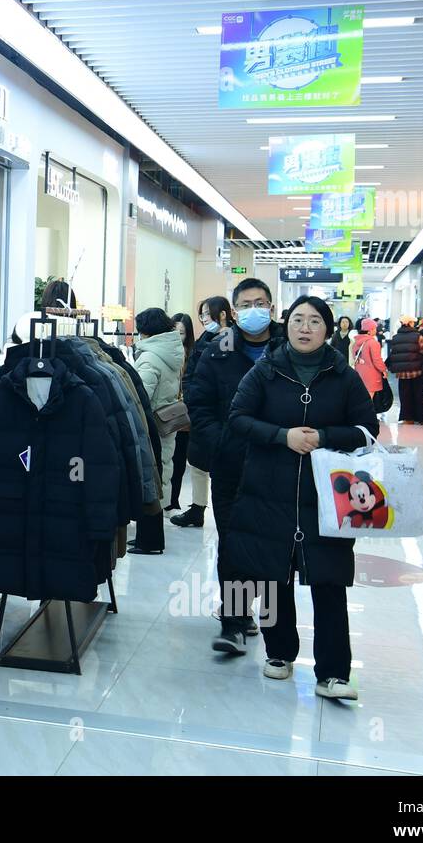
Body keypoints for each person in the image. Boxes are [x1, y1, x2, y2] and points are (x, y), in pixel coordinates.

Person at [226, 295, 379, 699]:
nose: (304, 328)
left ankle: (333, 672)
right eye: (297, 320)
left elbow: (368, 429)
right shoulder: (266, 370)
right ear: (287, 324)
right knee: (274, 575)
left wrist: (325, 438)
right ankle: (279, 653)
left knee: (328, 579)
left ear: (329, 330)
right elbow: (238, 418)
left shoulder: (344, 376)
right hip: (268, 490)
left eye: (314, 321)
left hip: (328, 497)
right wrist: (282, 436)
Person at [188, 278, 281, 652]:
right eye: (245, 305)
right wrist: (223, 443)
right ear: (235, 311)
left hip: (280, 466)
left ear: (272, 308)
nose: (253, 310)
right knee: (233, 540)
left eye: (260, 303)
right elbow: (200, 404)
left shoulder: (289, 347)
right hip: (231, 466)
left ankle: (270, 619)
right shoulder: (218, 350)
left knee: (273, 543)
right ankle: (234, 620)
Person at [173, 296, 232, 529]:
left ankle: (222, 511)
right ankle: (197, 508)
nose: (204, 318)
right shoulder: (206, 337)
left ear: (223, 314)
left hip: (223, 413)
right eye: (202, 314)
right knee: (197, 464)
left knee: (222, 466)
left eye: (207, 313)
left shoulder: (230, 338)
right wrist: (190, 394)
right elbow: (193, 372)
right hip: (201, 410)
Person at [133, 308, 186, 516]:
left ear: (146, 332)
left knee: (153, 469)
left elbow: (141, 397)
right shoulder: (172, 351)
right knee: (165, 463)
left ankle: (152, 526)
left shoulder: (149, 358)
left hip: (152, 423)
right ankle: (160, 515)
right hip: (168, 419)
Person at [168, 312, 196, 513]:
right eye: (175, 332)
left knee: (178, 460)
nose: (178, 337)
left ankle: (173, 499)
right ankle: (167, 498)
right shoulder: (167, 354)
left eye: (182, 333)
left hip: (183, 415)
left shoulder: (192, 356)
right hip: (167, 412)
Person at [387, 315, 423, 424]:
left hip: (402, 372)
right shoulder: (418, 337)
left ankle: (407, 417)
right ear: (411, 324)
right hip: (417, 371)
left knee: (405, 395)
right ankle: (421, 418)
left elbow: (394, 353)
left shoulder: (396, 337)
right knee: (419, 394)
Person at [351, 318, 388, 402]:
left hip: (359, 374)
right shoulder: (373, 343)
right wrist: (384, 370)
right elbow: (377, 360)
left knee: (361, 399)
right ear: (369, 330)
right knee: (368, 401)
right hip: (371, 376)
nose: (375, 330)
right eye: (374, 328)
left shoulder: (356, 342)